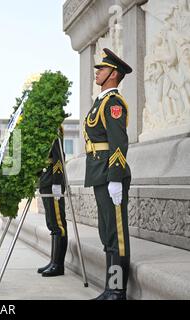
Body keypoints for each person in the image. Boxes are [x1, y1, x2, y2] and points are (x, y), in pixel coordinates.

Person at [85, 48, 132, 300]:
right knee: (106, 233)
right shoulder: (101, 102)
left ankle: (117, 289)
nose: (97, 72)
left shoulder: (113, 103)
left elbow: (118, 143)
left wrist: (115, 178)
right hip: (98, 172)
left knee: (117, 235)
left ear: (113, 74)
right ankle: (109, 288)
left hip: (110, 173)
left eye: (102, 69)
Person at [37, 128, 67, 277]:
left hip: (52, 181)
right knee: (51, 223)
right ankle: (53, 261)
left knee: (58, 224)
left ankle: (58, 265)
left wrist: (57, 181)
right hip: (45, 179)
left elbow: (59, 157)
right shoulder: (43, 127)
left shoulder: (53, 127)